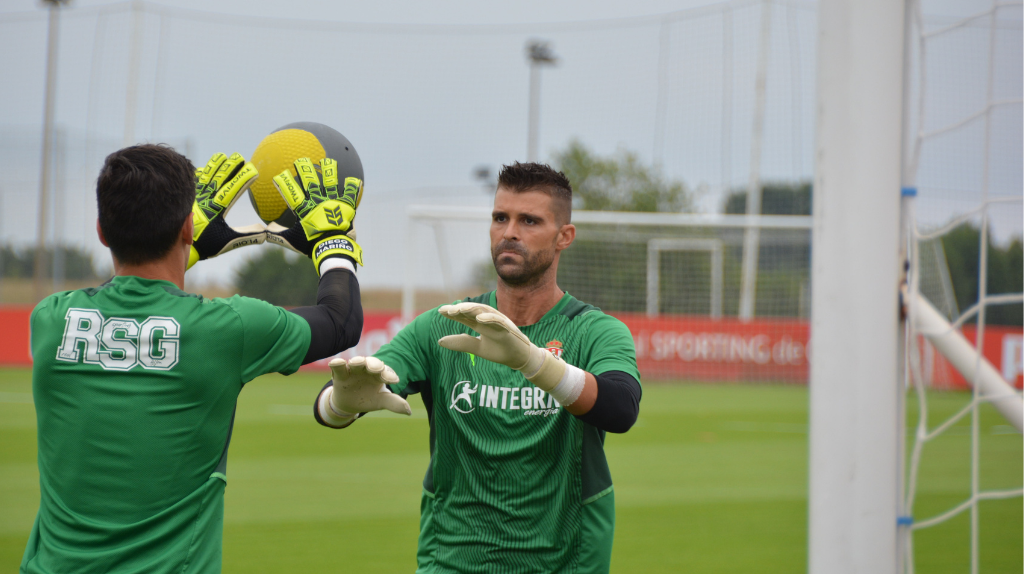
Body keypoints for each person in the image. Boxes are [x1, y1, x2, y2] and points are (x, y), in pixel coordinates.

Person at [21, 144, 409, 574]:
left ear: (100, 230)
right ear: (187, 226)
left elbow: (122, 297)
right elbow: (341, 320)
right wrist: (333, 240)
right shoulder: (225, 329)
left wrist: (186, 248)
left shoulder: (50, 320)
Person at [313, 162, 642, 574]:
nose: (510, 232)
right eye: (500, 218)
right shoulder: (443, 324)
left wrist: (534, 361)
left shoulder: (595, 330)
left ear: (564, 236)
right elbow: (345, 396)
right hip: (451, 561)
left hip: (564, 563)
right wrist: (340, 404)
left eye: (529, 221)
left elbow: (621, 408)